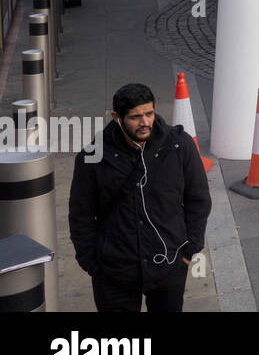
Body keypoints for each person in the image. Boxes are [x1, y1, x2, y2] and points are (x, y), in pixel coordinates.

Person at [69, 83, 212, 312]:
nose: (145, 122)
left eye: (149, 113)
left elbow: (199, 199)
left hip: (168, 265)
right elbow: (81, 214)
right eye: (135, 117)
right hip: (114, 272)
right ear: (117, 117)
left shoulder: (178, 145)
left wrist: (189, 250)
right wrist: (92, 263)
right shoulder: (93, 157)